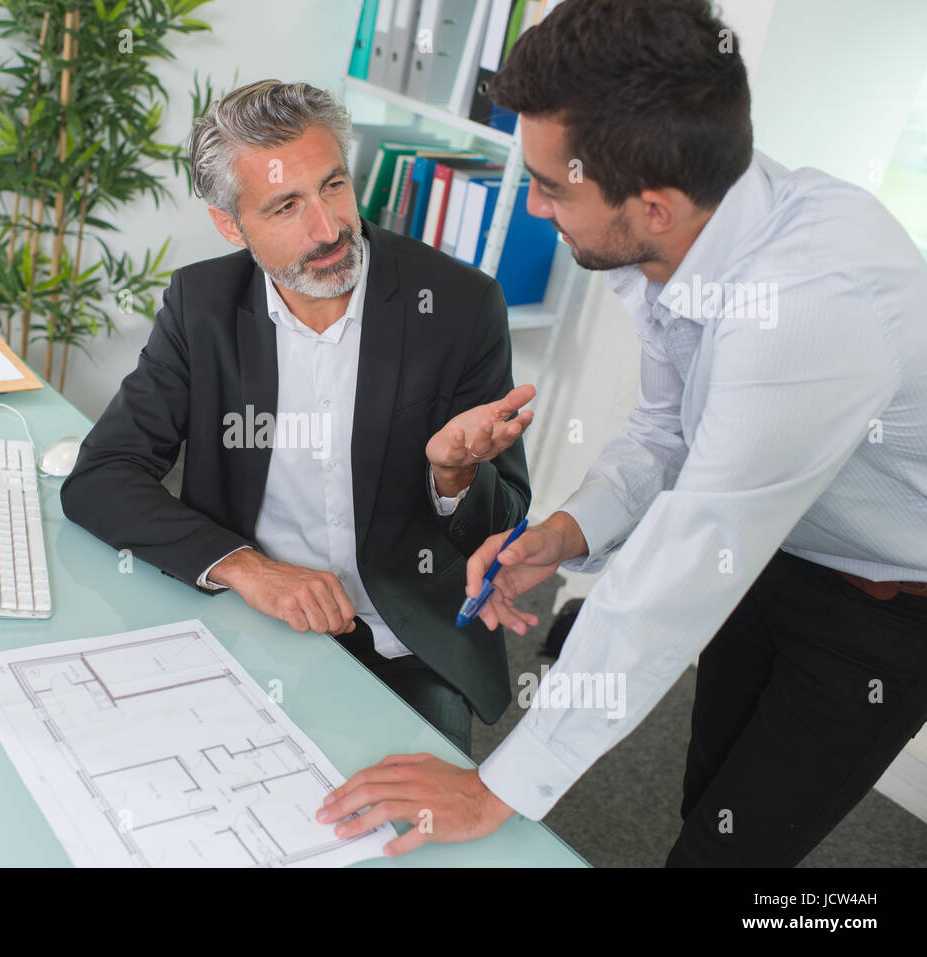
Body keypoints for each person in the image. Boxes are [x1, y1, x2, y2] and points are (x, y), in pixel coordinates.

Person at [319, 0, 927, 865]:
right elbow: (668, 429)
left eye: (552, 187)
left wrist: (497, 784)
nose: (532, 208)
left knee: (737, 855)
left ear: (652, 203)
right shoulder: (672, 235)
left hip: (891, 601)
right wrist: (565, 533)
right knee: (709, 801)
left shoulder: (806, 313)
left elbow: (676, 574)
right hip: (780, 540)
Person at [61, 80, 535, 756]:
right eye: (287, 205)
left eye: (334, 186)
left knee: (410, 842)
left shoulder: (459, 305)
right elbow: (102, 475)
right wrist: (247, 568)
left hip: (411, 644)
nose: (329, 227)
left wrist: (455, 476)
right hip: (259, 625)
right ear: (231, 224)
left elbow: (503, 522)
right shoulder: (204, 308)